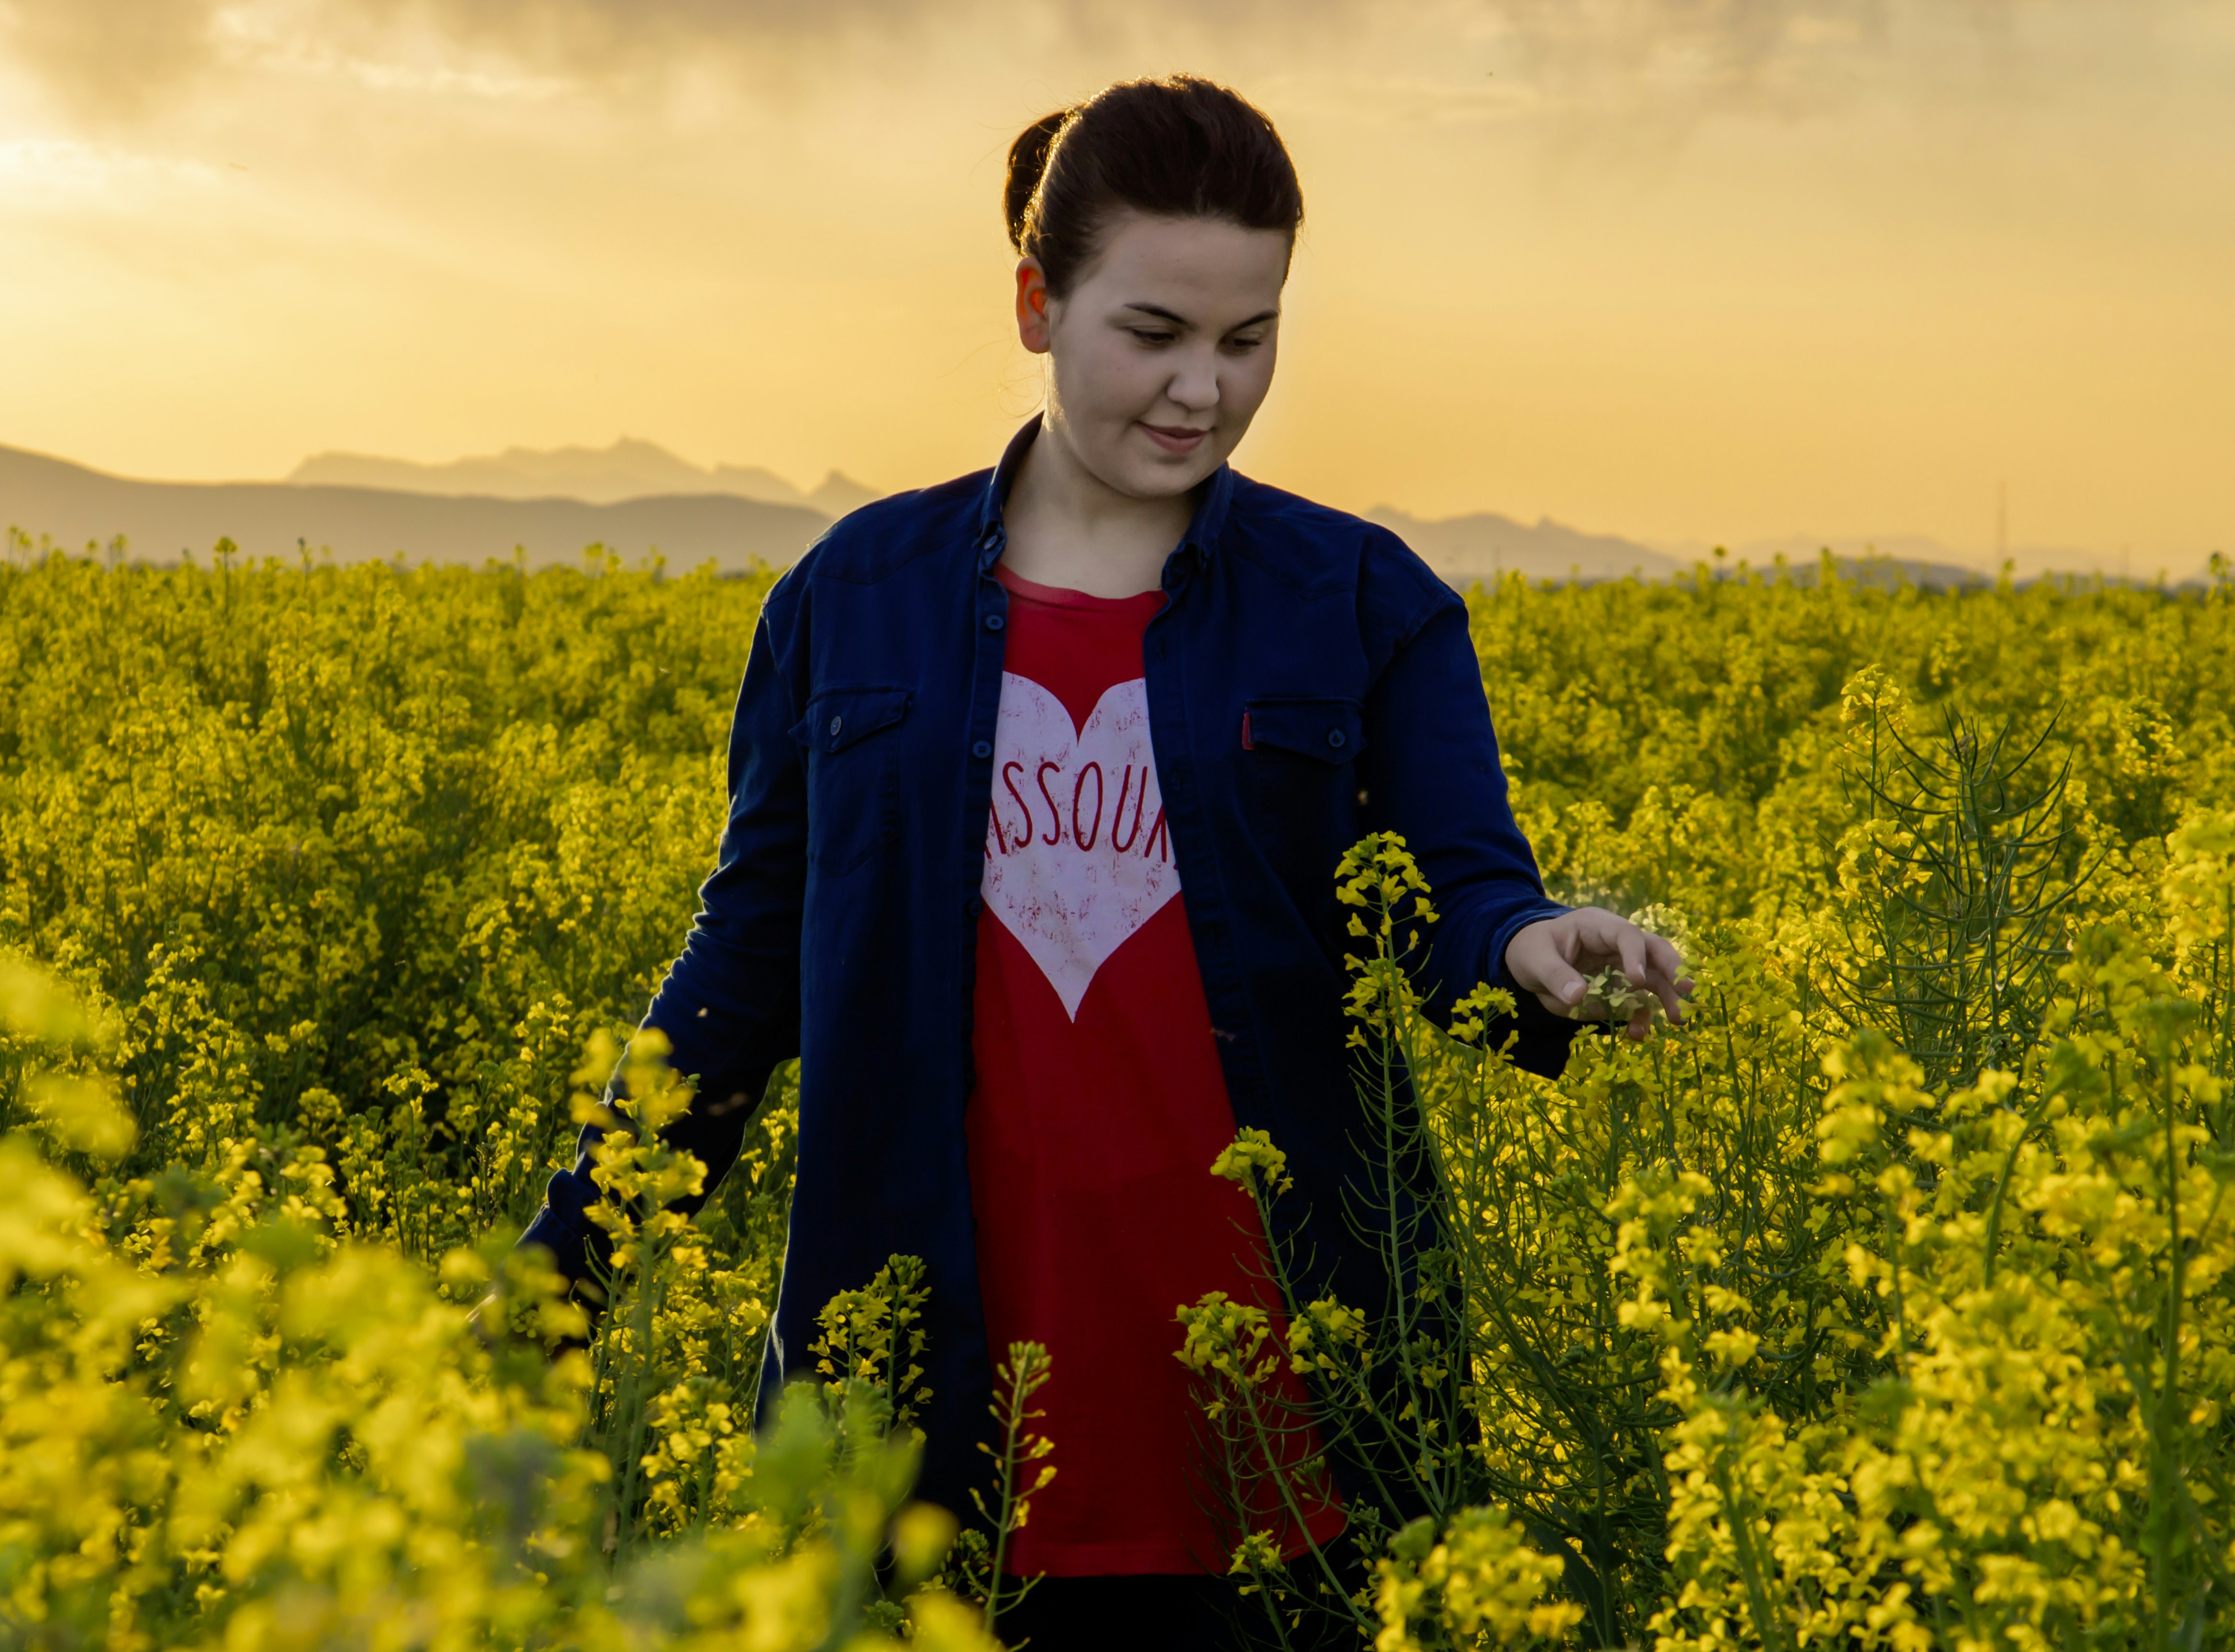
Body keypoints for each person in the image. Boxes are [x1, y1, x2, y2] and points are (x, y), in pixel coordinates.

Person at [519, 73, 1691, 1651]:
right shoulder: (852, 597)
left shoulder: (1360, 600)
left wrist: (1533, 945)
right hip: (919, 1417)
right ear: (1034, 303)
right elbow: (745, 967)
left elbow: (1458, 896)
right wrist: (557, 1285)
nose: (1203, 388)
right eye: (1154, 333)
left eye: (1249, 338)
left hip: (1292, 1430)